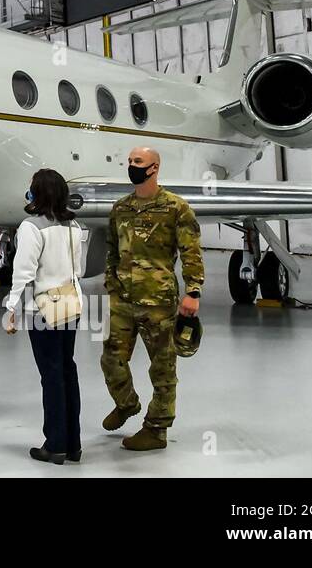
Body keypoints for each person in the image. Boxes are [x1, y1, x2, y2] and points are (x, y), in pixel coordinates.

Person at [100, 146, 203, 452]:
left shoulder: (176, 208)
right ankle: (127, 403)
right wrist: (111, 282)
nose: (132, 166)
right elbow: (112, 250)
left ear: (154, 168)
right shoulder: (120, 208)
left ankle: (156, 429)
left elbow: (191, 252)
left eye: (138, 162)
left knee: (162, 367)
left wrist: (193, 291)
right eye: (130, 161)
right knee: (111, 360)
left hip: (158, 301)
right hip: (123, 299)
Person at [3, 169, 83, 465]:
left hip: (42, 309)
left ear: (37, 193)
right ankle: (73, 443)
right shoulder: (74, 225)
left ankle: (55, 444)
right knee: (66, 370)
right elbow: (80, 269)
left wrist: (11, 309)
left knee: (50, 375)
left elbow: (23, 272)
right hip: (70, 304)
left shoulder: (31, 227)